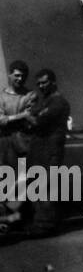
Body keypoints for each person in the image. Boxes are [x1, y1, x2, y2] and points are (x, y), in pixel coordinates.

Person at [26, 68, 71, 236]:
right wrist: (31, 117)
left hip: (51, 150)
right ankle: (41, 223)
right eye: (38, 84)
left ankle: (46, 226)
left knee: (47, 185)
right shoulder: (45, 101)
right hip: (40, 149)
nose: (41, 86)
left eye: (44, 82)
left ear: (53, 82)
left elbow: (38, 121)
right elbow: (34, 117)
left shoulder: (58, 102)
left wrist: (29, 116)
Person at [0, 60, 33, 226]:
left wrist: (9, 119)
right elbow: (1, 121)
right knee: (5, 180)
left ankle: (18, 218)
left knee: (21, 180)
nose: (20, 79)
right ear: (10, 74)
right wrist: (20, 116)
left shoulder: (30, 95)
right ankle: (6, 218)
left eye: (23, 76)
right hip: (5, 145)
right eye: (17, 75)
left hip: (22, 144)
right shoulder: (1, 97)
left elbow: (32, 116)